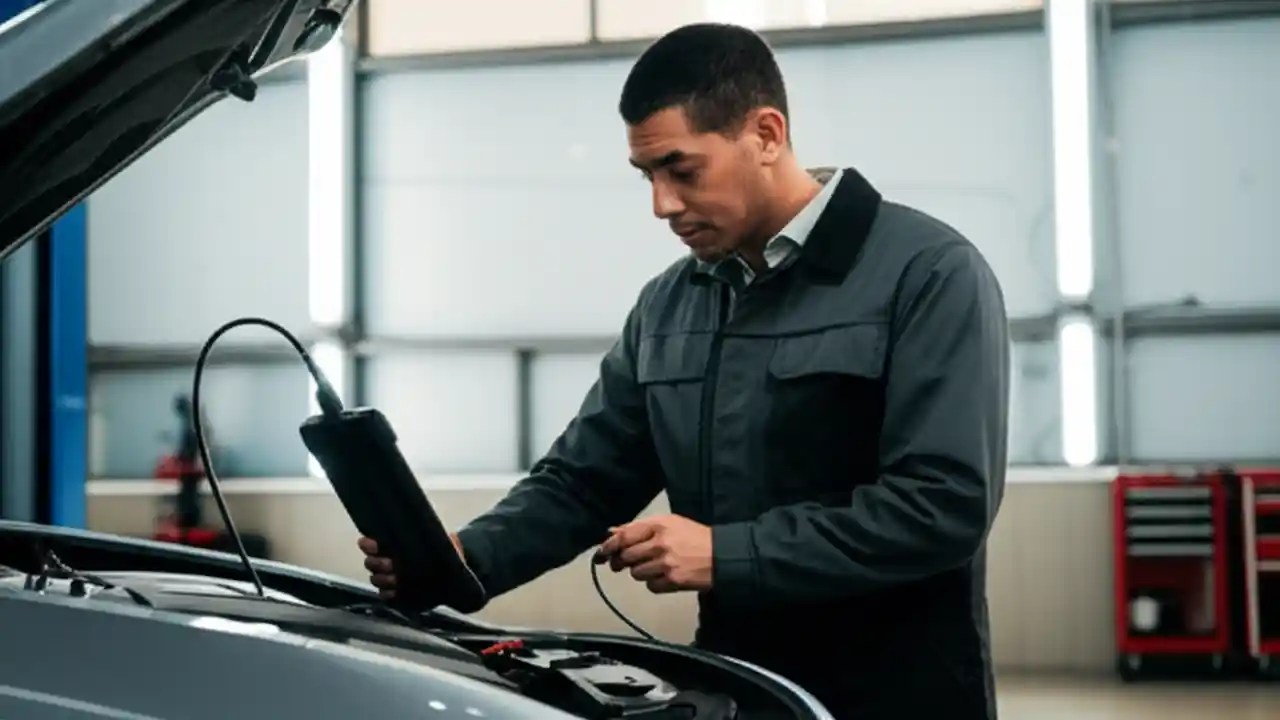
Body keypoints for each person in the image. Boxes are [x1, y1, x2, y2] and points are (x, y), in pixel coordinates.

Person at [359, 22, 1009, 720]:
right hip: (742, 685)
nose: (662, 204)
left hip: (903, 694)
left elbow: (942, 504)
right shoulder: (671, 303)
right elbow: (584, 481)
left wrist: (726, 555)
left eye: (682, 170)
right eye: (647, 175)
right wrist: (463, 559)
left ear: (765, 134)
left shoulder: (928, 273)